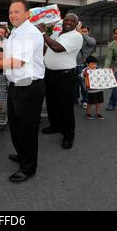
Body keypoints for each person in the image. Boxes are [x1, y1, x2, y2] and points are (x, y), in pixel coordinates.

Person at [0, 0, 45, 183]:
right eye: (10, 12)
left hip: (30, 87)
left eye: (17, 11)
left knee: (27, 128)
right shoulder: (15, 32)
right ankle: (22, 155)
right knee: (15, 125)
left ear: (27, 13)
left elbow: (17, 62)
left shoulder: (30, 33)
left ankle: (29, 166)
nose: (13, 15)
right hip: (16, 84)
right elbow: (7, 56)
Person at [39, 13, 83, 150]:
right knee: (52, 103)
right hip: (50, 74)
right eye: (67, 20)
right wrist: (42, 41)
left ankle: (69, 135)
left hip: (65, 76)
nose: (68, 22)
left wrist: (42, 33)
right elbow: (49, 49)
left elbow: (57, 49)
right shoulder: (58, 34)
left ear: (77, 24)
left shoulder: (76, 36)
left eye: (72, 20)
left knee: (66, 106)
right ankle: (55, 126)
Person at [76, 25, 96, 109]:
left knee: (84, 84)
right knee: (74, 84)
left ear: (88, 32)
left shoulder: (90, 40)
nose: (83, 32)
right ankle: (75, 98)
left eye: (85, 31)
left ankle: (85, 100)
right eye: (82, 31)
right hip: (73, 65)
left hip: (83, 65)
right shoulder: (75, 39)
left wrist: (81, 33)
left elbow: (92, 43)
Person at [81, 56, 104, 120]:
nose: (94, 65)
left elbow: (103, 76)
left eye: (95, 64)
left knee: (99, 102)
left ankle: (98, 113)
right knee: (90, 102)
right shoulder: (85, 70)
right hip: (91, 90)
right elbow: (82, 77)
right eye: (92, 64)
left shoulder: (98, 69)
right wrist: (84, 75)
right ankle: (88, 113)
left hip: (99, 89)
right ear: (87, 64)